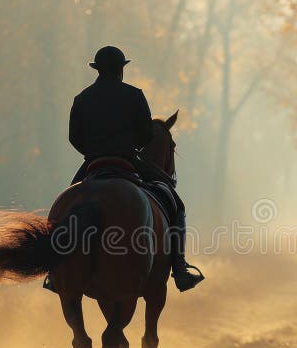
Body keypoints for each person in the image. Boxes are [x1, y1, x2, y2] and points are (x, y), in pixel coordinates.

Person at [67, 46, 204, 292]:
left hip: (93, 162)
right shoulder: (134, 94)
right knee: (176, 205)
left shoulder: (82, 98)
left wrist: (93, 151)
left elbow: (74, 138)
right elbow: (146, 133)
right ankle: (180, 268)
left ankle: (56, 271)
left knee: (65, 204)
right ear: (121, 69)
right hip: (127, 159)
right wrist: (131, 145)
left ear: (97, 70)